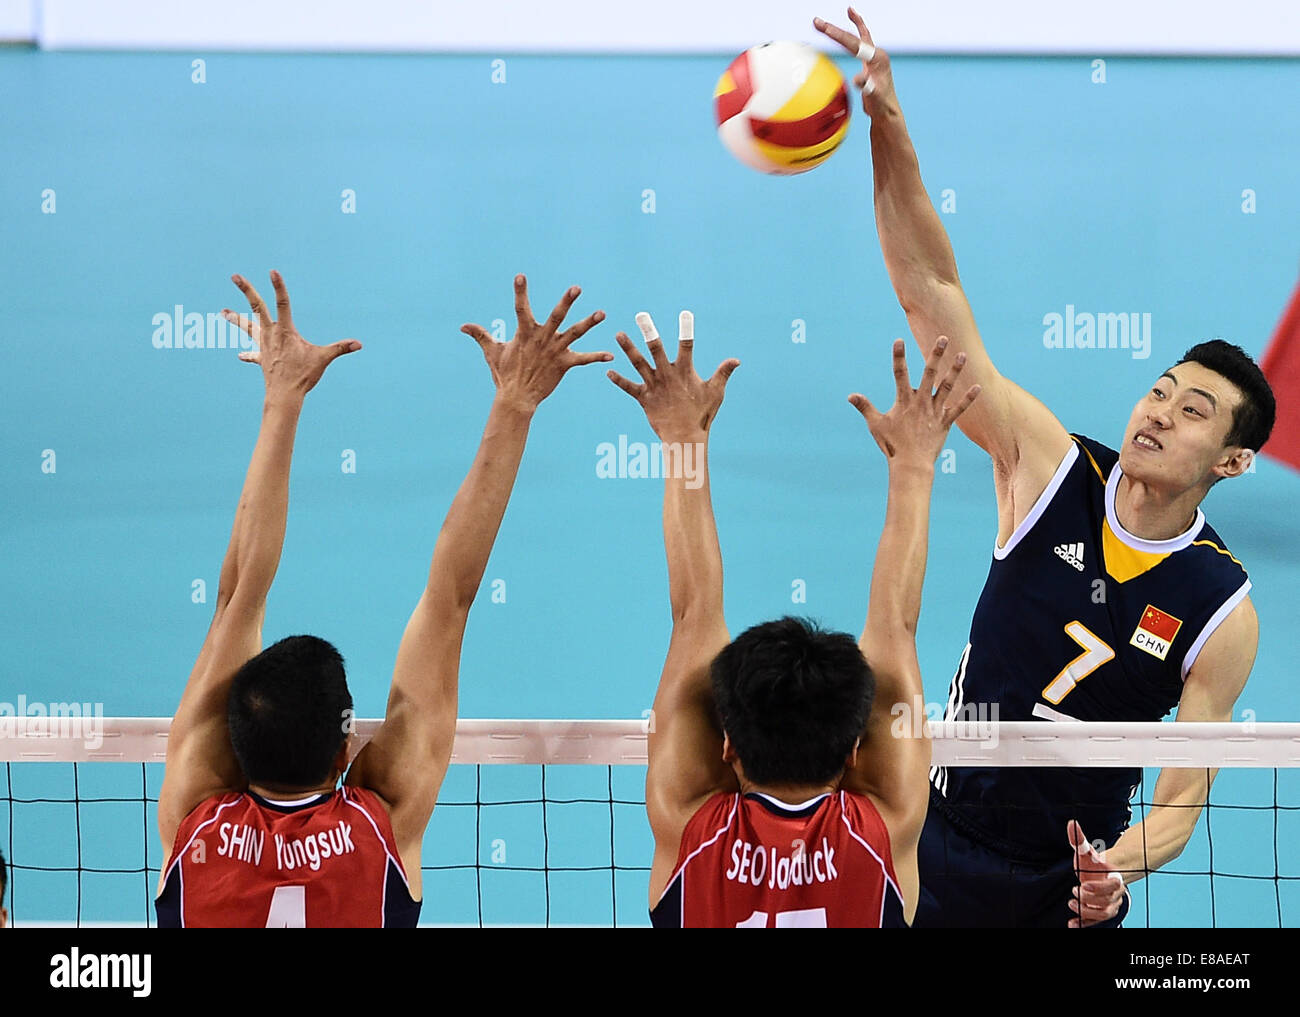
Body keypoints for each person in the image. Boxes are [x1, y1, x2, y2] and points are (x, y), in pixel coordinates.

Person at [815, 11, 1275, 927]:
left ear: (1232, 459)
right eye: (1160, 390)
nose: (1158, 411)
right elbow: (933, 295)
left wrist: (1120, 866)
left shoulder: (1221, 608)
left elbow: (1182, 801)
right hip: (927, 836)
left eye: (1193, 411)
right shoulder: (1048, 468)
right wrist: (889, 133)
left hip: (1065, 887)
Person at [155, 272, 609, 926]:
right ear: (346, 750)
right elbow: (450, 598)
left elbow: (237, 595)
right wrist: (516, 402)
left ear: (229, 739)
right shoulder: (383, 823)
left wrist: (281, 398)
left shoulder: (192, 821)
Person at [609, 308, 977, 927]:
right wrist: (914, 465)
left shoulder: (686, 827)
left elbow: (694, 611)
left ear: (726, 745)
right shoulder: (886, 830)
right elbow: (896, 626)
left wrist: (682, 437)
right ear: (856, 751)